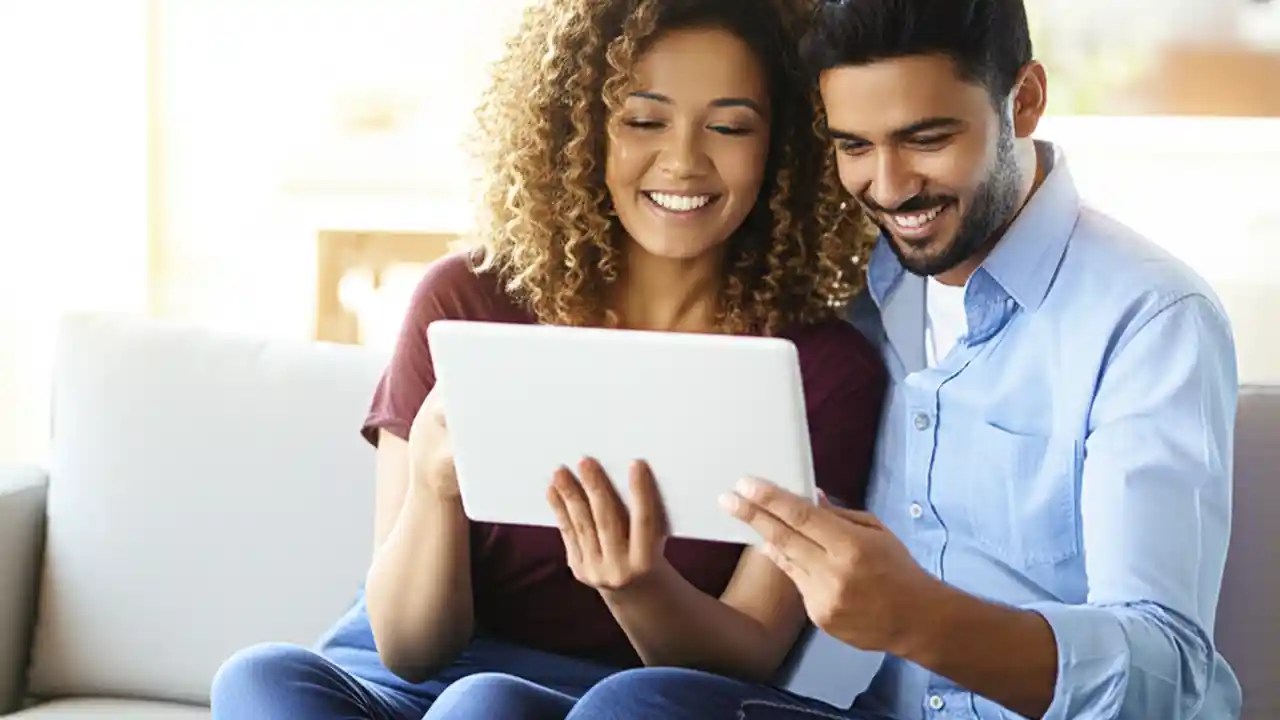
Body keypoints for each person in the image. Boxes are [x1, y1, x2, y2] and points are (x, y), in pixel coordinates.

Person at [563, 0, 1243, 718]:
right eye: (855, 146)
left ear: (1027, 101)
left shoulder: (1148, 319)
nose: (886, 188)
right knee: (499, 702)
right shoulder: (857, 292)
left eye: (926, 139)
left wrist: (919, 618)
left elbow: (1168, 678)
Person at [209, 0, 888, 718]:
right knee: (257, 678)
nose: (685, 159)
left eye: (728, 127)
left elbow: (754, 649)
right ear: (581, 130)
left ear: (782, 146)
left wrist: (636, 585)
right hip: (404, 683)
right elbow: (405, 644)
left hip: (601, 697)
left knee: (487, 707)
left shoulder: (820, 371)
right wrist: (438, 492)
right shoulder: (464, 302)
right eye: (643, 119)